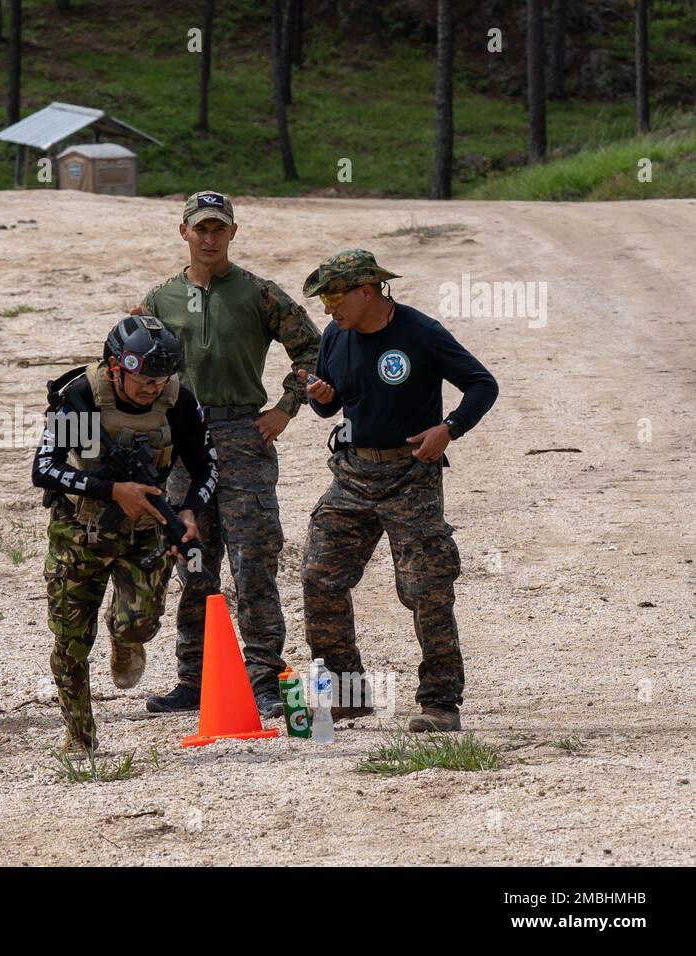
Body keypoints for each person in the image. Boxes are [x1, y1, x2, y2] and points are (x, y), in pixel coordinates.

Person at [138, 190, 321, 719]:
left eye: (219, 228)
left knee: (254, 562)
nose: (210, 238)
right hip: (183, 444)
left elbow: (313, 349)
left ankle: (264, 678)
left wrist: (287, 406)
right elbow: (130, 365)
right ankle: (194, 678)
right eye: (201, 229)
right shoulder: (160, 300)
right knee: (192, 561)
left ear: (233, 233)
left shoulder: (259, 294)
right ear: (184, 232)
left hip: (245, 438)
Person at [299, 249, 498, 732]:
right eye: (324, 299)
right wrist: (321, 400)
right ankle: (347, 695)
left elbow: (481, 384)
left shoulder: (419, 332)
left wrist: (449, 428)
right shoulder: (335, 336)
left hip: (411, 476)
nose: (328, 308)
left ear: (368, 291)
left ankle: (440, 702)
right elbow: (335, 405)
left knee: (426, 588)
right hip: (352, 474)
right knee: (319, 578)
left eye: (334, 296)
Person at [33, 315, 218, 752]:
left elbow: (207, 465)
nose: (151, 387)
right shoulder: (81, 399)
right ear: (115, 366)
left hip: (145, 534)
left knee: (139, 625)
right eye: (142, 379)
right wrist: (113, 489)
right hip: (79, 533)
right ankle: (79, 737)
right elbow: (46, 470)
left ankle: (124, 639)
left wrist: (190, 511)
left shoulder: (177, 402)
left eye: (160, 379)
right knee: (71, 639)